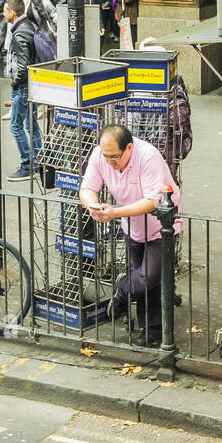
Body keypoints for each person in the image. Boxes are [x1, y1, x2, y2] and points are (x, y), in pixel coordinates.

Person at [80, 124, 182, 346]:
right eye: (105, 156)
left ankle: (122, 290)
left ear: (129, 148)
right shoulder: (100, 154)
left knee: (151, 275)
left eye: (114, 157)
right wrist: (93, 206)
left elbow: (154, 200)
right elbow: (87, 187)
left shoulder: (148, 157)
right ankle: (152, 329)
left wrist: (115, 213)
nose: (109, 162)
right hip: (131, 224)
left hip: (160, 226)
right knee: (147, 282)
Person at [2, 0, 41, 180]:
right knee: (31, 124)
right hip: (33, 83)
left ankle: (28, 164)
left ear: (12, 12)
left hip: (23, 86)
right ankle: (39, 161)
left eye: (4, 11)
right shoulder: (29, 25)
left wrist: (15, 82)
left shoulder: (20, 33)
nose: (3, 14)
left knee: (16, 126)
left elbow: (23, 64)